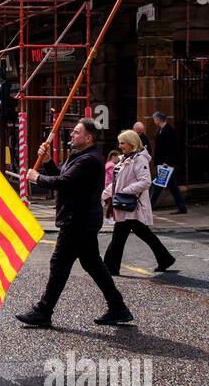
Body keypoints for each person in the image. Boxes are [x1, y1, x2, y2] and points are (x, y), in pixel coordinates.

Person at [16, 118, 134, 328]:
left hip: (78, 221)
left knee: (59, 265)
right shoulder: (80, 156)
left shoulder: (89, 160)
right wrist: (48, 162)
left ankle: (43, 311)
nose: (72, 134)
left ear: (88, 138)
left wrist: (37, 178)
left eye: (76, 132)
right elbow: (63, 175)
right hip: (80, 220)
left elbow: (64, 183)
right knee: (93, 264)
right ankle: (118, 307)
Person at [102, 129, 176, 275]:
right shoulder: (125, 158)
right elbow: (118, 182)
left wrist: (124, 191)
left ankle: (110, 267)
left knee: (119, 236)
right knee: (139, 234)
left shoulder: (139, 159)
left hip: (133, 205)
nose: (120, 145)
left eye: (122, 143)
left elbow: (145, 182)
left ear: (131, 143)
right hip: (126, 205)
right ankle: (165, 258)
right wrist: (104, 194)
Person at [148, 111, 187, 214]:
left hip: (166, 164)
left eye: (155, 119)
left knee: (157, 187)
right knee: (172, 187)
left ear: (158, 119)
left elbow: (172, 149)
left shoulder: (169, 131)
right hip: (162, 163)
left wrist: (167, 162)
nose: (154, 121)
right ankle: (182, 207)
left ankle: (148, 207)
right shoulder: (161, 130)